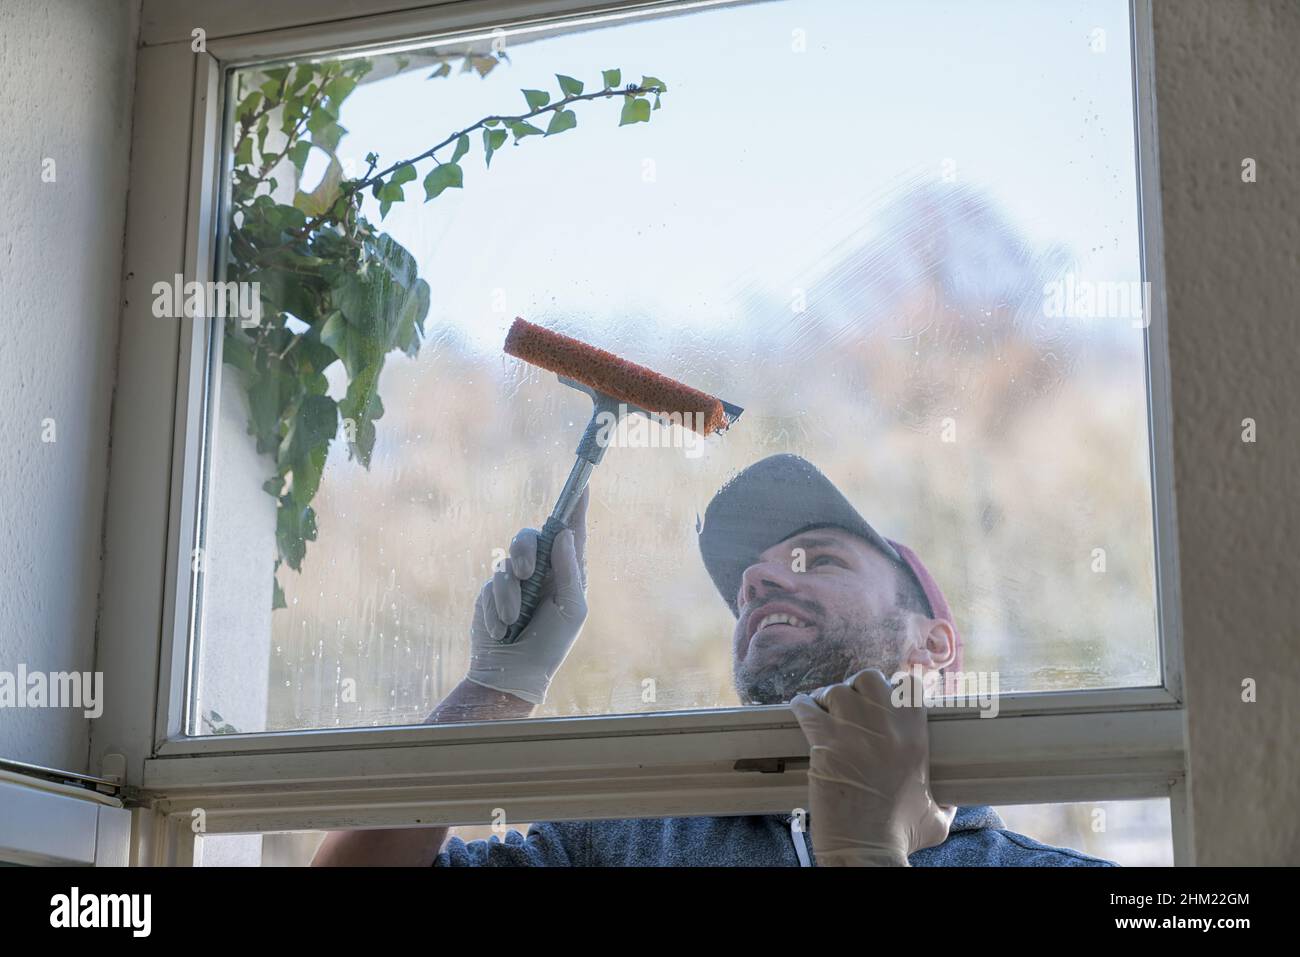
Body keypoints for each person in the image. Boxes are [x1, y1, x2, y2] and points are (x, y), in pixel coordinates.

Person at [313, 454, 1114, 866]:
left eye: (817, 559)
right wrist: (492, 691)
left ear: (932, 644)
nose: (760, 577)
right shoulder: (626, 843)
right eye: (750, 582)